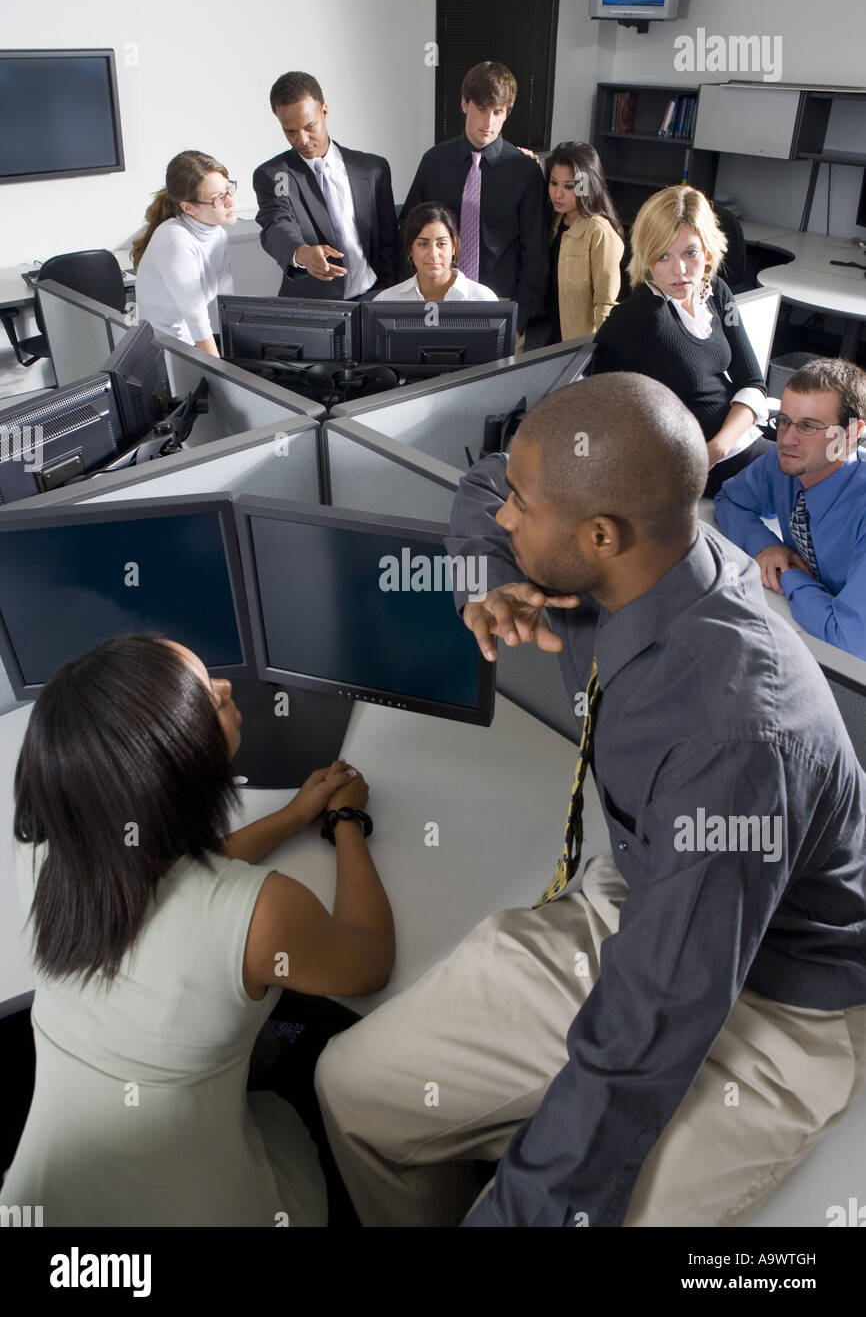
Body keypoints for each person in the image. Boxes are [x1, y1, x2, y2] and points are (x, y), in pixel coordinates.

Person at [314, 372, 866, 1228]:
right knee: (352, 1090)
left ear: (600, 533)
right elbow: (483, 482)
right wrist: (484, 579)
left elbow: (649, 1026)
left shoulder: (730, 734)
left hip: (778, 1002)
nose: (506, 517)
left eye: (524, 513)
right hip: (652, 897)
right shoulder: (626, 563)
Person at [0, 634, 393, 1227]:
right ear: (180, 764)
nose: (226, 685)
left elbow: (163, 871)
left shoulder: (46, 852)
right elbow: (368, 961)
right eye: (209, 696)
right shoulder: (262, 915)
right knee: (293, 1114)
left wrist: (290, 816)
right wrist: (345, 822)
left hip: (42, 1199)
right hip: (211, 1207)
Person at [591, 184, 770, 496]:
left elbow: (753, 381)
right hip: (714, 472)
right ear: (646, 258)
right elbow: (600, 404)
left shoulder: (717, 293)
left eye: (691, 253)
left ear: (708, 250)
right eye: (663, 256)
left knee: (843, 467)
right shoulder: (639, 316)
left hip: (738, 445)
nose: (680, 270)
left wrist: (717, 446)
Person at [714, 356, 866, 659]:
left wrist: (791, 575)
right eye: (784, 421)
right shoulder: (786, 462)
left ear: (849, 433)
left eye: (808, 426)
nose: (787, 439)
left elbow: (852, 640)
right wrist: (765, 546)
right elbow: (729, 499)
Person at [401, 62, 548, 337]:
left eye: (498, 112)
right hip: (436, 300)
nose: (489, 122)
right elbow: (408, 233)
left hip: (500, 305)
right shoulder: (434, 162)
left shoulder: (525, 171)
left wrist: (519, 318)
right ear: (465, 104)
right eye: (482, 109)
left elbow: (536, 255)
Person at [253, 71, 401, 301]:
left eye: (309, 126)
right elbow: (276, 225)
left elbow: (389, 240)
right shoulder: (274, 175)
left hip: (372, 297)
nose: (302, 139)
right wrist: (301, 253)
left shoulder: (374, 169)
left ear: (324, 112)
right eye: (290, 131)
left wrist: (387, 292)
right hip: (315, 307)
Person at [132, 151, 237, 355]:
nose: (230, 202)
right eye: (218, 198)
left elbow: (227, 304)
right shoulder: (174, 238)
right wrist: (223, 375)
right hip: (158, 352)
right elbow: (195, 315)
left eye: (228, 189)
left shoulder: (219, 235)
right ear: (188, 208)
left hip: (188, 345)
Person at [544, 141, 624, 342]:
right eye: (553, 183)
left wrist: (597, 350)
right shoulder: (556, 220)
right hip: (549, 334)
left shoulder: (598, 231)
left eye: (569, 186)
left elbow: (606, 303)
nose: (558, 193)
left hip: (579, 342)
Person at [374, 202, 499, 303]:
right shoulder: (385, 301)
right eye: (423, 244)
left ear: (454, 248)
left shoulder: (483, 299)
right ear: (410, 249)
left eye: (442, 244)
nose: (433, 253)